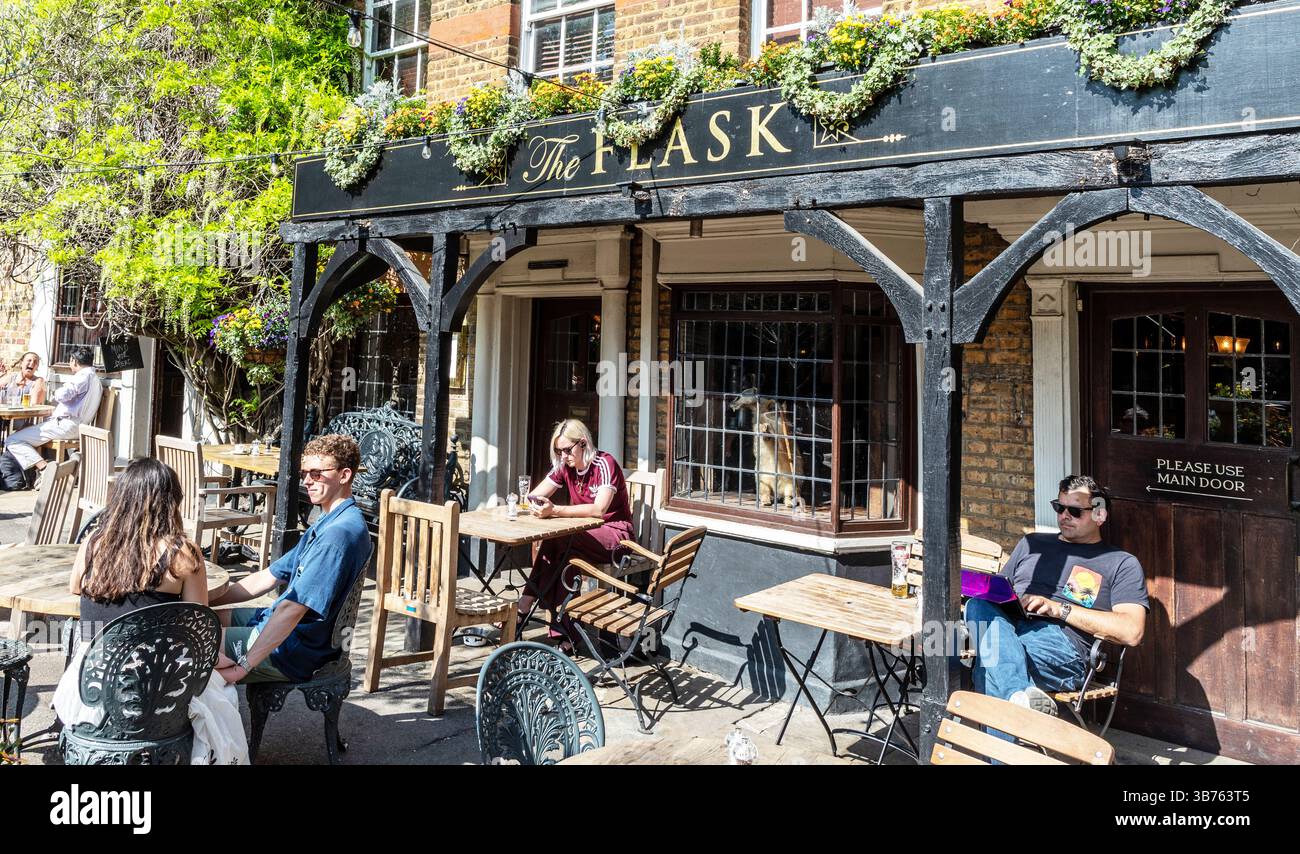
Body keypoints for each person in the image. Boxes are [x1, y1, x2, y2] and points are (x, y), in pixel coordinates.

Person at [52, 458, 248, 764]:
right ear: (171, 502)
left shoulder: (93, 543)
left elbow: (75, 587)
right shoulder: (182, 552)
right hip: (156, 687)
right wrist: (222, 662)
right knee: (224, 694)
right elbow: (196, 624)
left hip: (92, 686)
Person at [966, 474, 1148, 717]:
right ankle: (1019, 695)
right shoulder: (1032, 543)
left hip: (1062, 645)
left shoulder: (1121, 563)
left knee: (985, 668)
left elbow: (1132, 631)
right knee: (977, 605)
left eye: (1075, 511)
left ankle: (1013, 697)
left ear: (1100, 515)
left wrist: (1058, 609)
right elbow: (999, 592)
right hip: (1007, 629)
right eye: (1059, 507)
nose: (1064, 515)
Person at [209, 434, 371, 685]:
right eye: (305, 473)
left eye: (316, 473)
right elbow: (268, 577)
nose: (307, 480)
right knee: (199, 616)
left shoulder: (336, 536)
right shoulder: (332, 521)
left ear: (344, 475)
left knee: (184, 640)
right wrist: (203, 597)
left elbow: (293, 609)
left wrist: (243, 666)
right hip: (282, 626)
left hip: (295, 650)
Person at [520, 419, 634, 643]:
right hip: (582, 539)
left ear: (583, 443)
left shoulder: (604, 463)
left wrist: (556, 510)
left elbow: (599, 509)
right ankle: (566, 637)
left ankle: (525, 604)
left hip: (616, 536)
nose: (563, 456)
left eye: (567, 450)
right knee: (565, 558)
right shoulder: (566, 466)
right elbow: (534, 494)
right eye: (558, 451)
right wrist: (534, 502)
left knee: (560, 541)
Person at [0, 346, 100, 490]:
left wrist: (57, 392)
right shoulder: (94, 377)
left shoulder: (82, 376)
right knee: (26, 434)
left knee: (13, 440)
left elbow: (61, 395)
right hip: (77, 426)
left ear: (74, 361)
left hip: (66, 424)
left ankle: (44, 469)